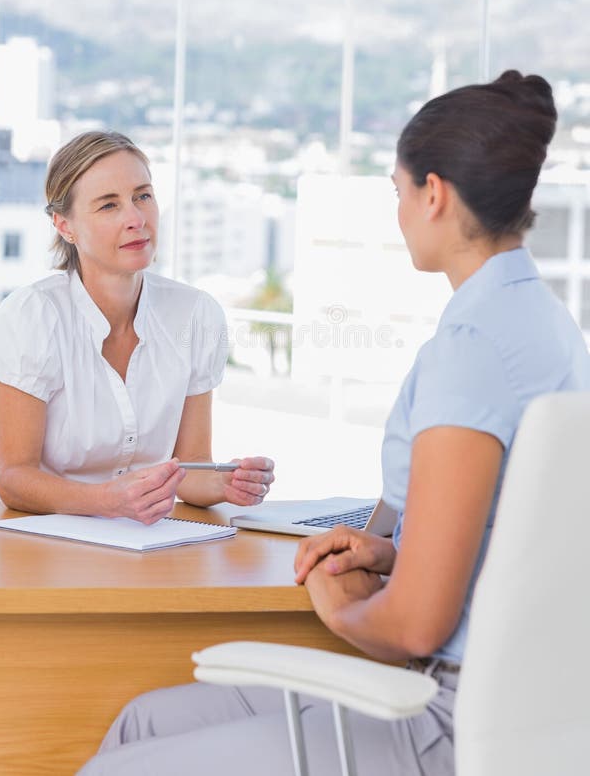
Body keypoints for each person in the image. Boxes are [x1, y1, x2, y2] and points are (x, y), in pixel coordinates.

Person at [77, 71, 590, 776]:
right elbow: (515, 544)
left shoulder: (470, 351)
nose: (400, 211)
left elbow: (414, 625)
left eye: (398, 192)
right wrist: (396, 553)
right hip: (519, 706)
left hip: (446, 720)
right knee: (142, 722)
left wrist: (338, 604)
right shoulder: (549, 326)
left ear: (432, 194)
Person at [0, 131, 274, 521]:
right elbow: (13, 476)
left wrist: (224, 483)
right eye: (109, 206)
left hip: (146, 544)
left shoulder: (195, 314)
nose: (136, 219)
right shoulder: (32, 316)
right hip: (47, 547)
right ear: (65, 226)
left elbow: (189, 467)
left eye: (143, 195)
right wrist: (106, 501)